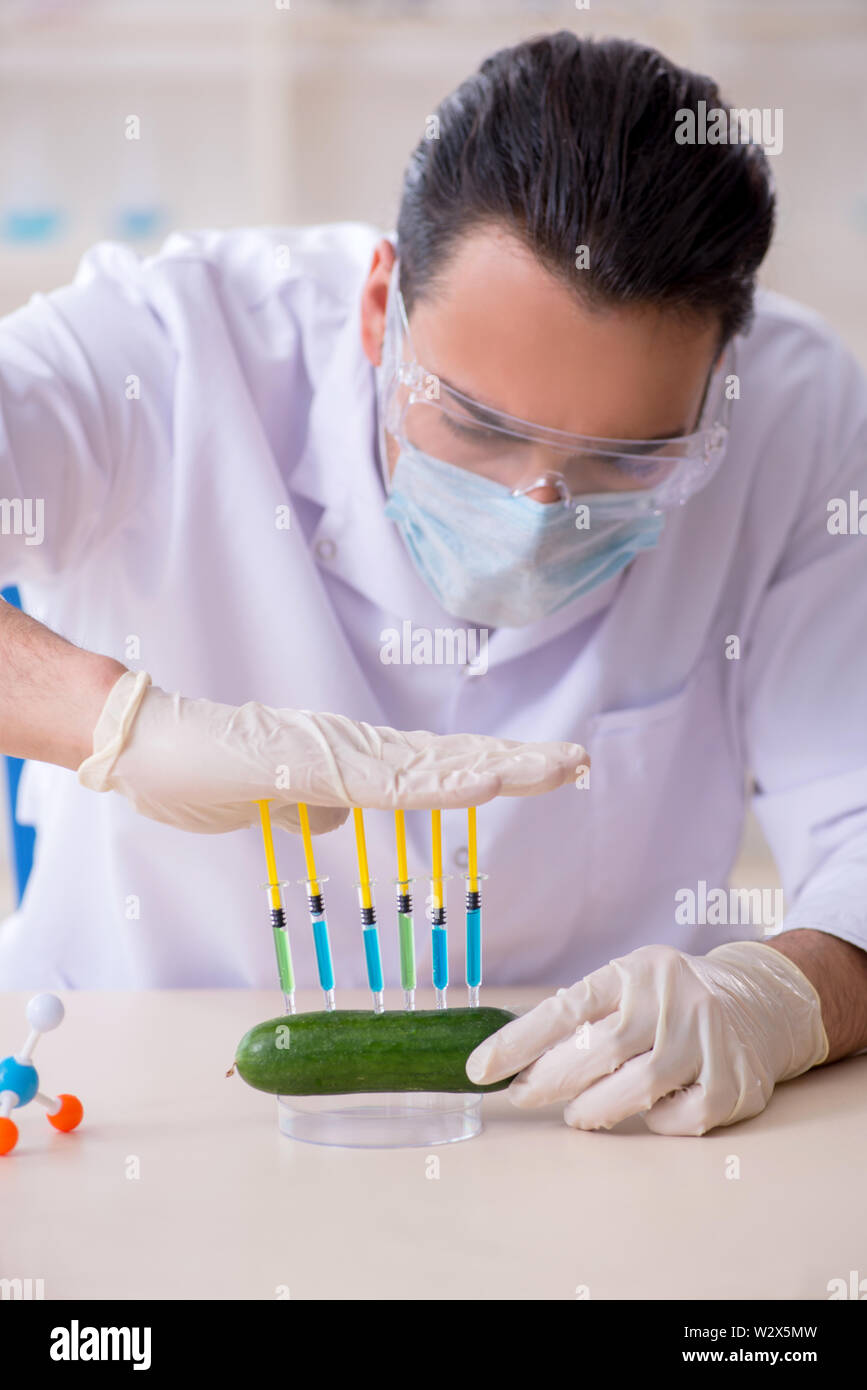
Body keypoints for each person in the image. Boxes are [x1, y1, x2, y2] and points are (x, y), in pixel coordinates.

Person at [0, 32, 865, 1136]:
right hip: (134, 1097)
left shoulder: (802, 414)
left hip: (606, 1135)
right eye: (480, 425)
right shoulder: (166, 345)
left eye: (626, 460)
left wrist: (786, 994)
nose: (538, 507)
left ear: (715, 391)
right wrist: (115, 725)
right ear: (380, 312)